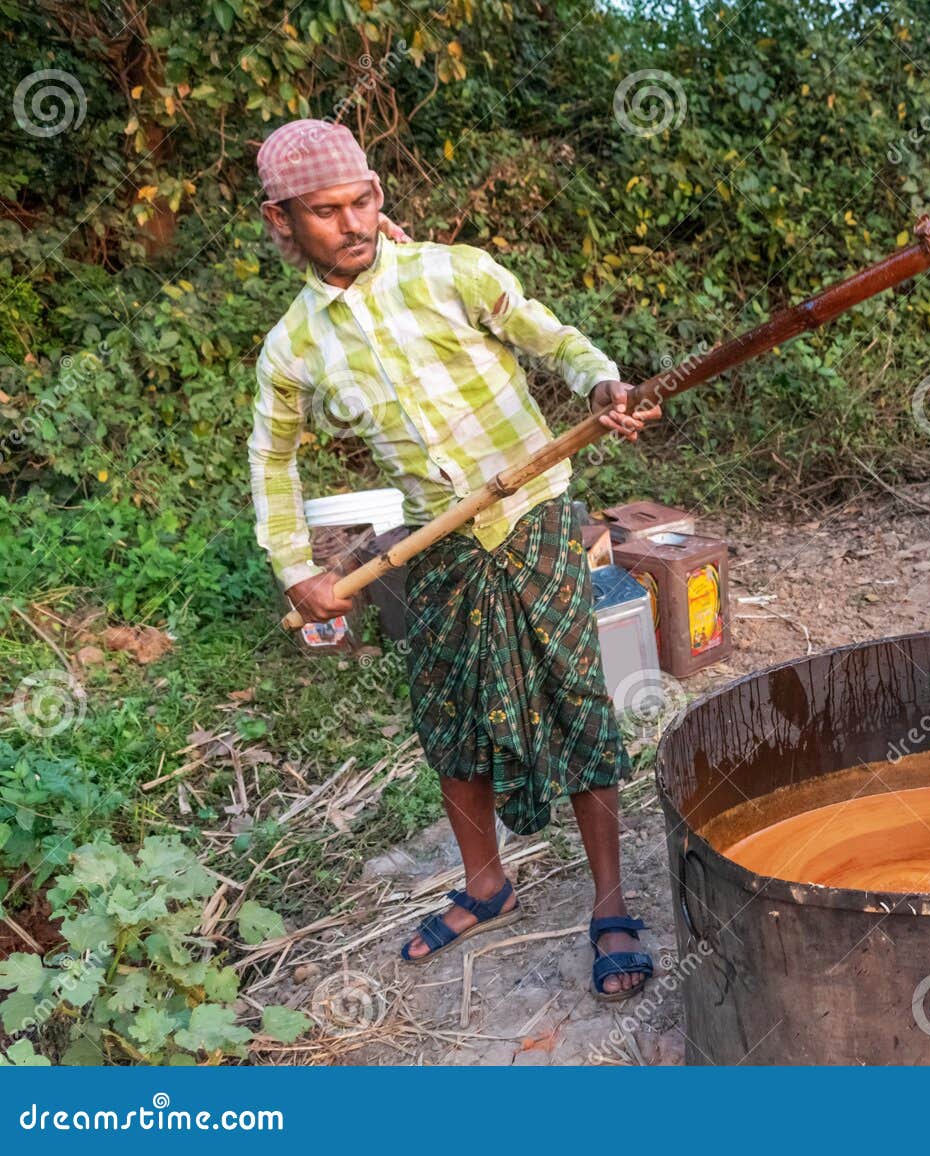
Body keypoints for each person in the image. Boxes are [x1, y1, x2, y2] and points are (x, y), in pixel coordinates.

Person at [249, 120, 661, 1000]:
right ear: (282, 223)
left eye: (364, 201)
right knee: (448, 713)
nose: (353, 224)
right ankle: (486, 883)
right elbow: (272, 460)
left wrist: (601, 384)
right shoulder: (293, 348)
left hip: (534, 515)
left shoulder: (451, 271)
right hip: (436, 539)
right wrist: (295, 566)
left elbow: (554, 338)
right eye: (326, 212)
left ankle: (611, 902)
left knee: (574, 696)